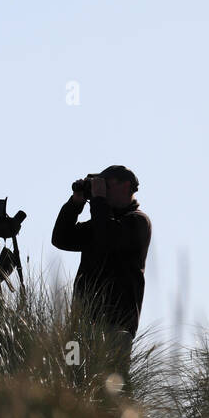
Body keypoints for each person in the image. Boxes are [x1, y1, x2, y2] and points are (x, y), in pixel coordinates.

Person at [50, 164, 152, 387]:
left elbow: (108, 238)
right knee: (71, 380)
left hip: (115, 326)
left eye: (107, 184)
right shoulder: (99, 223)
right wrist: (75, 203)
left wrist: (97, 201)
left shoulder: (138, 222)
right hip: (80, 322)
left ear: (126, 186)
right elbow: (61, 238)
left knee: (112, 386)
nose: (101, 190)